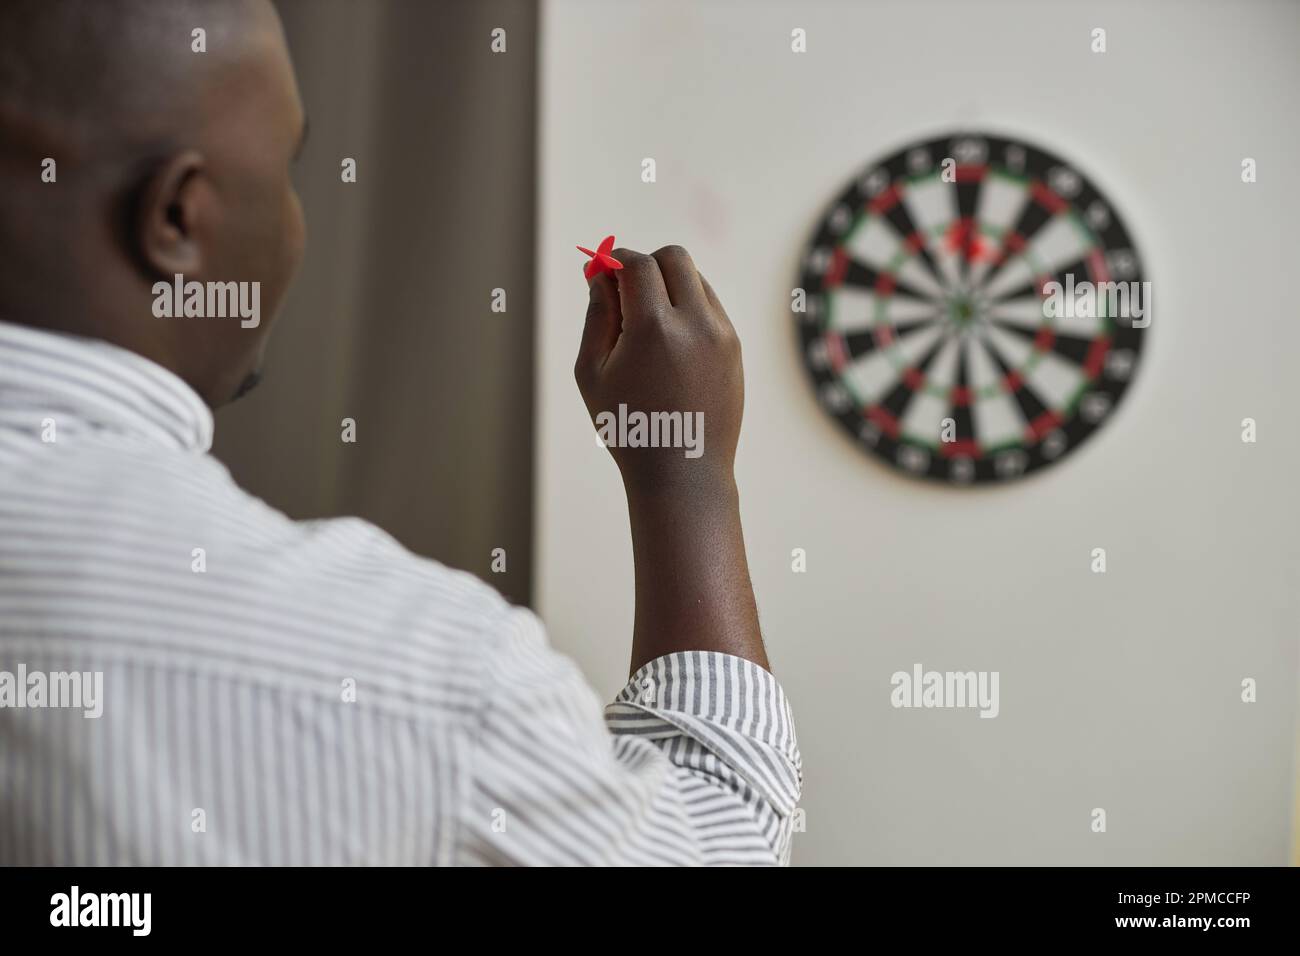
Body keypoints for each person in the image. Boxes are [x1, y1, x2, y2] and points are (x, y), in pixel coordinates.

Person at [0, 0, 800, 865]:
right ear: (178, 219)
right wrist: (686, 474)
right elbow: (723, 843)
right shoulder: (416, 678)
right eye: (286, 174)